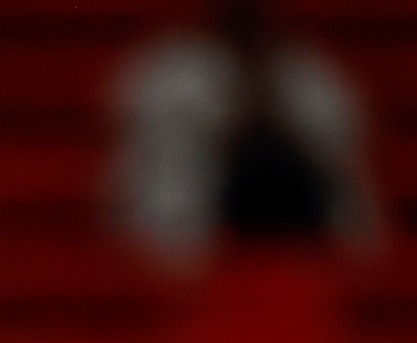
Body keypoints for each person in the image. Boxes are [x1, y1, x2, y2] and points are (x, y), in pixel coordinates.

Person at [110, 0, 380, 265]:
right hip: (189, 236)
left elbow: (341, 163)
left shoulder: (311, 74)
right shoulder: (167, 73)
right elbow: (149, 167)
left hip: (302, 234)